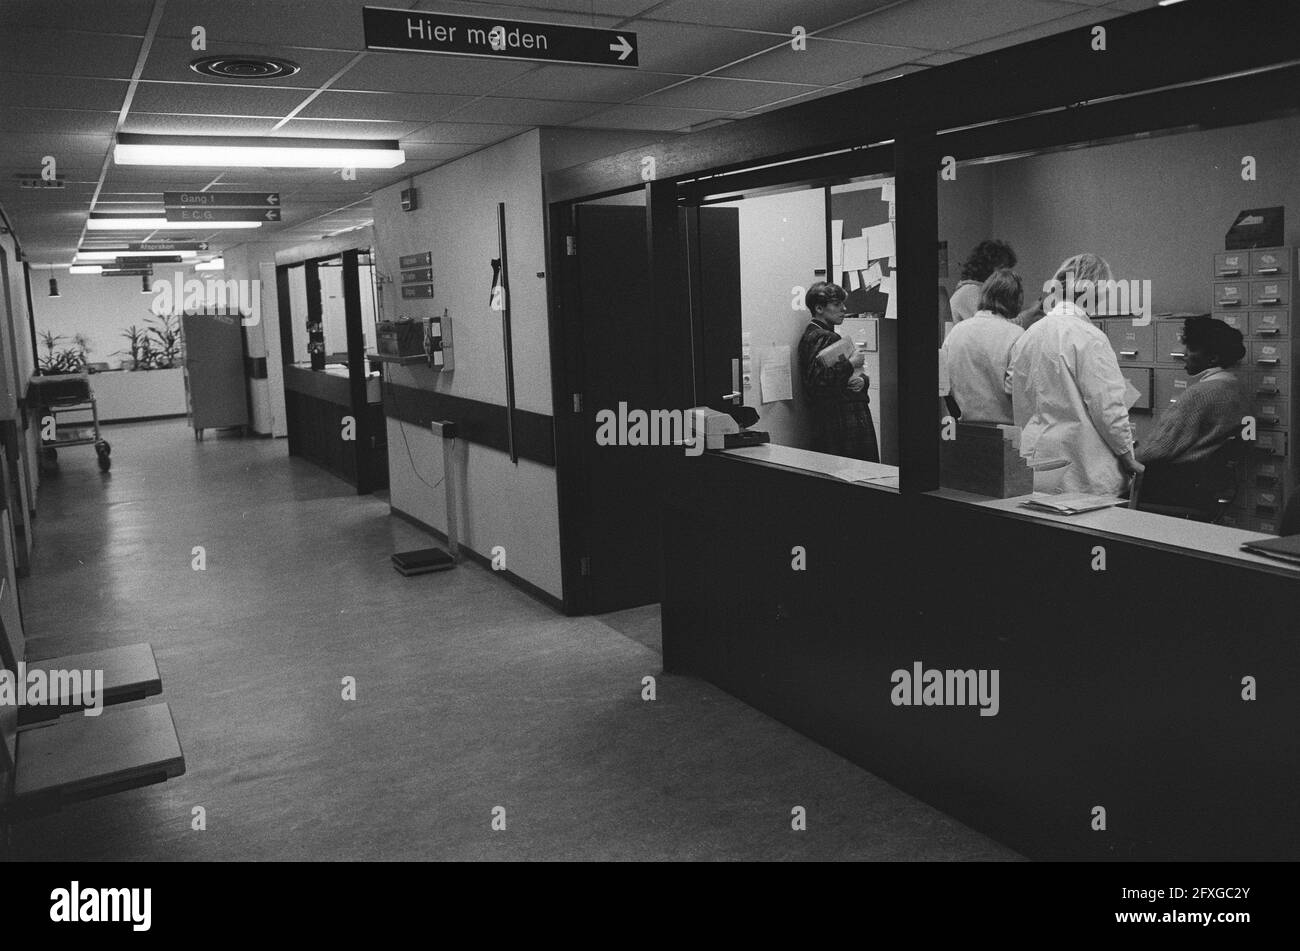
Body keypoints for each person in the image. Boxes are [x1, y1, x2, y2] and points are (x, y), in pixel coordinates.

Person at [1007, 253, 1142, 495]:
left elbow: (1017, 396)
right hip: (1080, 467)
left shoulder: (1027, 336)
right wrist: (1127, 456)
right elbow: (1108, 407)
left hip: (1036, 460)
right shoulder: (1089, 337)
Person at [1136, 317, 1249, 508]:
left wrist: (1124, 456)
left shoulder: (1199, 394)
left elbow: (1158, 450)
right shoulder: (1236, 388)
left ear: (1213, 358)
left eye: (1191, 349)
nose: (1183, 354)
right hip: (1204, 488)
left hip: (1173, 486)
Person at [798, 281, 879, 462]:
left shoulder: (814, 334)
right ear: (819, 308)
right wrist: (851, 363)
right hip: (841, 418)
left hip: (834, 418)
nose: (844, 308)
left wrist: (862, 380)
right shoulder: (823, 337)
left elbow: (841, 377)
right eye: (837, 304)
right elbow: (818, 383)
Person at [941, 268, 1025, 424]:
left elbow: (943, 381)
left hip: (963, 428)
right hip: (1005, 431)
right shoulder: (1017, 335)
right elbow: (1016, 389)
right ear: (1016, 300)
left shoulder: (956, 332)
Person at [949, 239, 1017, 324]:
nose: (1007, 274)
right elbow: (994, 328)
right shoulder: (970, 291)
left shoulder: (982, 292)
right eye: (1002, 268)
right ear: (986, 268)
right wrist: (1026, 316)